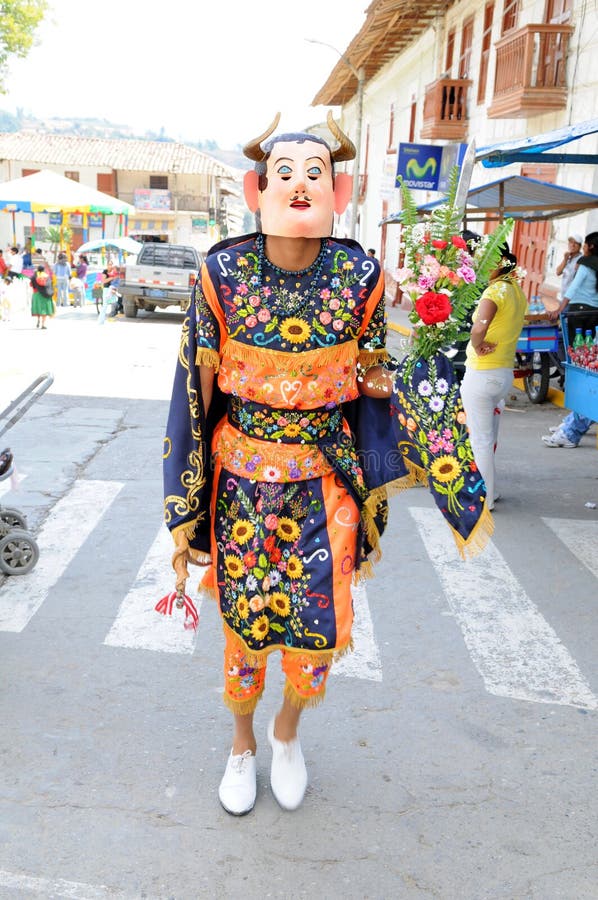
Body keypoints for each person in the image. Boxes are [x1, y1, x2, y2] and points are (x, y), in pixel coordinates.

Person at [460, 245, 528, 511]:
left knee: (480, 439)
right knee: (488, 437)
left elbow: (480, 326)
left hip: (483, 372)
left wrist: (477, 344)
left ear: (499, 262)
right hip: (502, 374)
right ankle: (491, 490)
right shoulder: (516, 291)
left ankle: (482, 498)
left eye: (485, 260)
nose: (480, 266)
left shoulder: (495, 290)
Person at [542, 231, 598, 447]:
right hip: (594, 315)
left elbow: (573, 289)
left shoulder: (585, 263)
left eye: (584, 245)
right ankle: (570, 425)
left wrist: (559, 309)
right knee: (586, 366)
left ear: (590, 246)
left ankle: (571, 430)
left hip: (577, 313)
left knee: (581, 367)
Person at [555, 232, 583, 297]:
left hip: (573, 298)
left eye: (575, 243)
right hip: (563, 296)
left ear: (580, 246)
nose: (572, 245)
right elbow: (558, 272)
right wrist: (565, 260)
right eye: (571, 242)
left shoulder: (581, 259)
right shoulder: (568, 257)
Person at [30, 265, 54, 329]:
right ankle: (43, 324)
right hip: (45, 295)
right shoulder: (47, 276)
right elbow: (50, 286)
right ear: (44, 270)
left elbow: (31, 285)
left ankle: (38, 320)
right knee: (44, 310)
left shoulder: (34, 276)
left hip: (36, 294)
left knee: (38, 309)